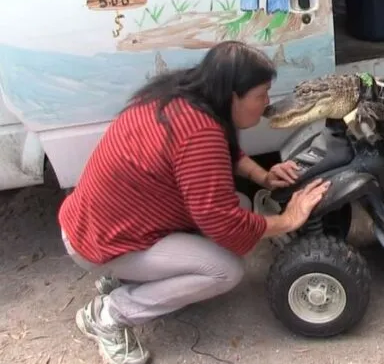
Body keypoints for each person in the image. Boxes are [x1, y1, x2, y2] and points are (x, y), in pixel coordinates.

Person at [58, 41, 330, 364]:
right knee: (224, 270)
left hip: (94, 223)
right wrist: (287, 220)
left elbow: (221, 156)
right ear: (233, 97)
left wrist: (264, 177)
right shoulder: (199, 134)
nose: (267, 103)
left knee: (240, 204)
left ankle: (125, 275)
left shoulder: (181, 96)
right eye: (261, 95)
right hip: (102, 243)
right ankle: (110, 314)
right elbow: (223, 223)